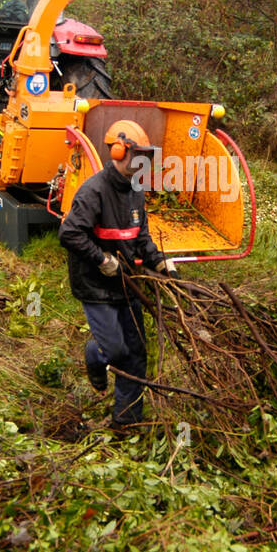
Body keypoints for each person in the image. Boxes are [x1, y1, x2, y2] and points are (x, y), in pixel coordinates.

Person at [58, 120, 177, 432]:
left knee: (136, 354)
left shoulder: (136, 192)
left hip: (126, 284)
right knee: (115, 351)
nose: (140, 164)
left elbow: (141, 239)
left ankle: (126, 421)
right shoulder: (93, 191)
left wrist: (160, 261)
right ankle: (93, 354)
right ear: (118, 150)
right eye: (136, 156)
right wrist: (101, 259)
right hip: (95, 285)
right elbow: (69, 233)